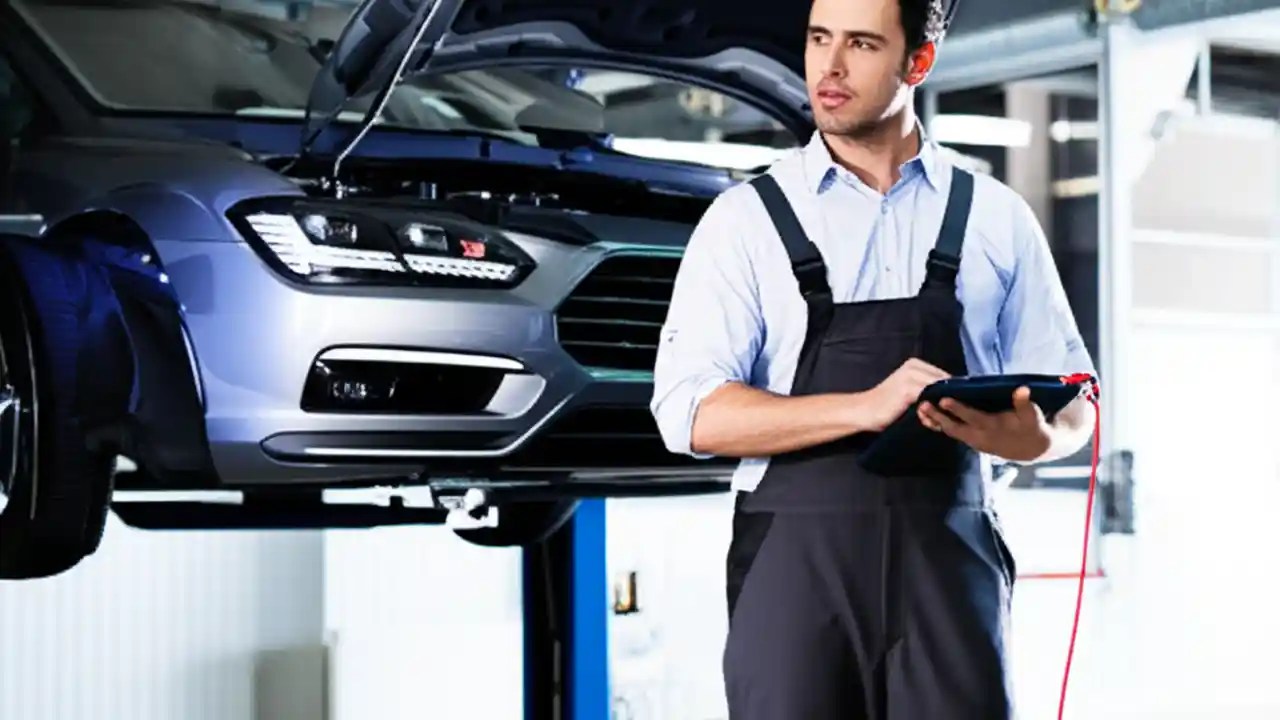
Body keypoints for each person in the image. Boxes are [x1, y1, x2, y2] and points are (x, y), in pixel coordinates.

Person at [649, 0, 1098, 717]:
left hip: (949, 566)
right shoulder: (746, 221)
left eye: (860, 44)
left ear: (917, 61)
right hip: (797, 576)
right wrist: (863, 407)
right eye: (818, 38)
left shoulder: (995, 217)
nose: (828, 66)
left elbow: (1075, 399)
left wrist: (1041, 440)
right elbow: (688, 413)